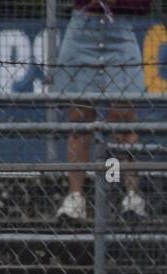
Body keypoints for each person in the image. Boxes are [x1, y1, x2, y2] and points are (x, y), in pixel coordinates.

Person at [52, 0, 151, 220]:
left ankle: (129, 195)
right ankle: (75, 198)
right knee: (80, 119)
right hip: (82, 28)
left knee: (123, 120)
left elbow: (144, 5)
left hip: (120, 27)